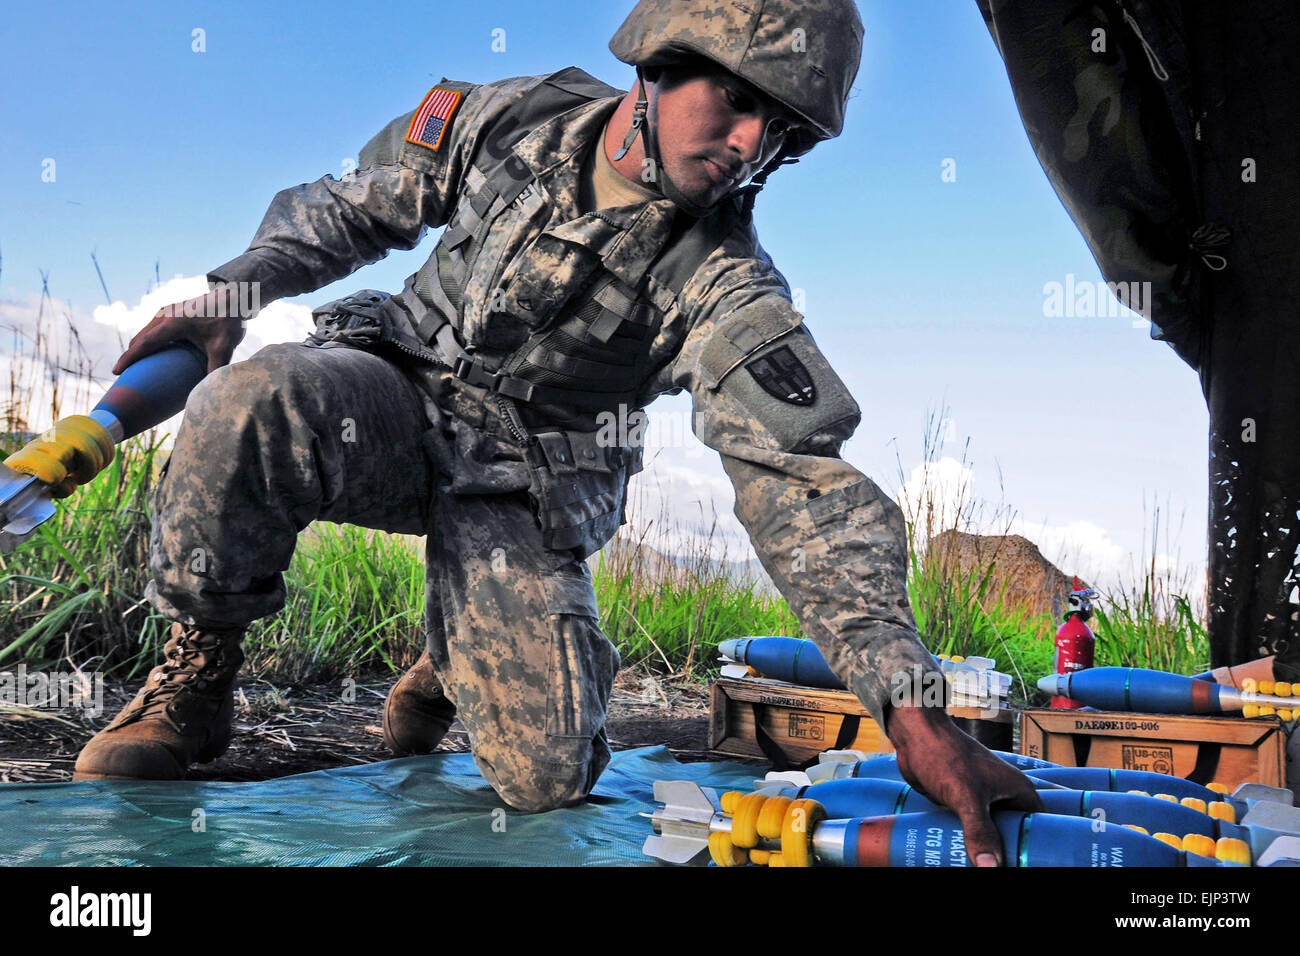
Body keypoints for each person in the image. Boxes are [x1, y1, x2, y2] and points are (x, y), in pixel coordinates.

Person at [74, 0, 1040, 865]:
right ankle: (194, 679)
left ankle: (455, 647)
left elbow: (799, 481)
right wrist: (233, 291)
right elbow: (348, 210)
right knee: (250, 397)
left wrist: (910, 713)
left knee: (544, 781)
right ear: (657, 64)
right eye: (737, 102)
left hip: (522, 485)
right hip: (396, 401)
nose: (751, 145)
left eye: (783, 132)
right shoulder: (509, 116)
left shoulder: (726, 283)